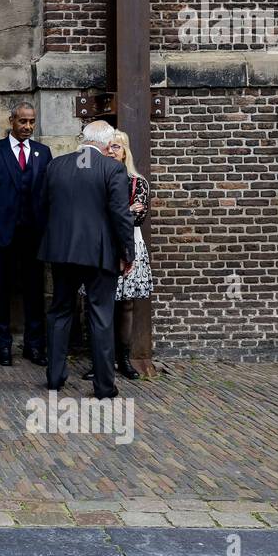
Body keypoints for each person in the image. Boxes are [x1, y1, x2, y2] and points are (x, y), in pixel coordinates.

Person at [38, 120, 134, 399]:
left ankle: (55, 378)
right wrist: (127, 252)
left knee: (59, 311)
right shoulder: (112, 167)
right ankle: (104, 386)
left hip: (62, 251)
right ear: (105, 145)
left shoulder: (56, 165)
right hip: (99, 252)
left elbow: (43, 207)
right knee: (101, 315)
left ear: (83, 140)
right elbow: (120, 215)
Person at [0, 101, 50, 367]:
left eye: (31, 122)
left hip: (34, 234)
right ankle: (3, 345)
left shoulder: (44, 153)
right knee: (0, 291)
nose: (28, 127)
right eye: (23, 121)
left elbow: (48, 195)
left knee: (34, 291)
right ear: (11, 121)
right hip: (1, 234)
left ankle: (34, 345)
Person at [83, 129, 154, 382]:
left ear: (125, 152)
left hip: (128, 245)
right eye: (109, 146)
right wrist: (124, 209)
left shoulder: (137, 182)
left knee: (126, 305)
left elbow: (139, 217)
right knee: (99, 304)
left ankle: (123, 359)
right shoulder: (95, 177)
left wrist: (116, 212)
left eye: (117, 147)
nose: (112, 151)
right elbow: (93, 213)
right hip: (100, 246)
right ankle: (99, 361)